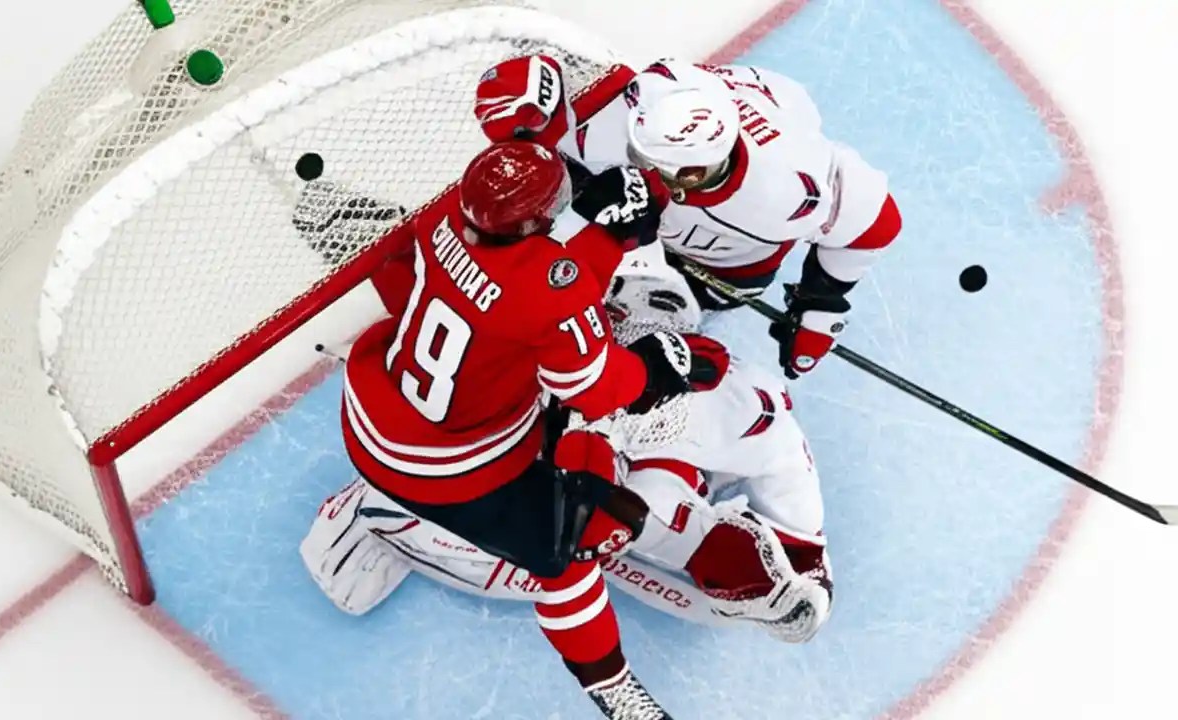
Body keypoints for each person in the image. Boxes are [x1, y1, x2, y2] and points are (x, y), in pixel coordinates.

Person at [305, 242, 834, 662]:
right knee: (544, 549)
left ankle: (398, 507)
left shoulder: (736, 414)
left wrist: (804, 570)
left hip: (583, 445)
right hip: (502, 436)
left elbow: (784, 477)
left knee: (597, 535)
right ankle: (383, 511)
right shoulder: (566, 333)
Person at [335, 139, 695, 717]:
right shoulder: (548, 292)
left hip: (376, 410)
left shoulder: (443, 214)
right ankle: (612, 687)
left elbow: (528, 285)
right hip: (443, 471)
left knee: (541, 397)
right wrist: (651, 370)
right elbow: (596, 386)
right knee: (573, 547)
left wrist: (607, 237)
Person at [474, 54, 903, 379]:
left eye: (646, 159)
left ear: (691, 175)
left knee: (627, 325)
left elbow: (876, 221)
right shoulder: (661, 93)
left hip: (718, 271)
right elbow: (576, 83)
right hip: (669, 207)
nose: (633, 155)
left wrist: (821, 303)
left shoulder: (784, 193)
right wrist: (535, 108)